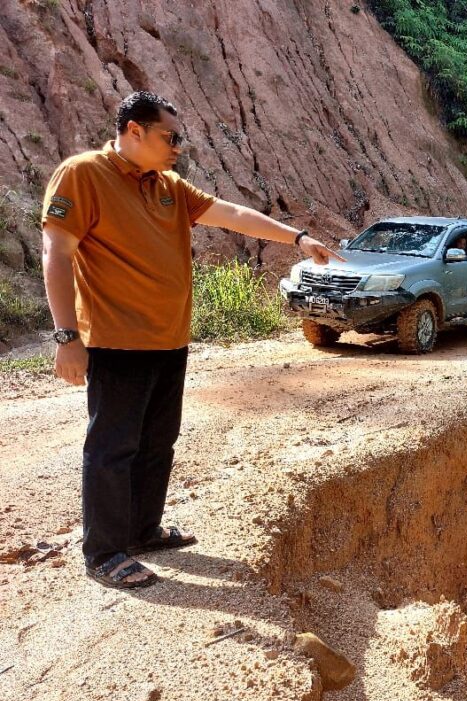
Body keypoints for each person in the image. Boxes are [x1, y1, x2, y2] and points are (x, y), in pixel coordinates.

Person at [40, 91, 342, 590]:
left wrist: (297, 237)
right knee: (113, 447)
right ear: (134, 130)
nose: (178, 147)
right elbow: (57, 251)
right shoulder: (83, 174)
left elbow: (232, 214)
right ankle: (104, 552)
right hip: (116, 341)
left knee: (158, 441)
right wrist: (67, 336)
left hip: (168, 340)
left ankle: (142, 530)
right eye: (169, 137)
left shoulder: (168, 186)